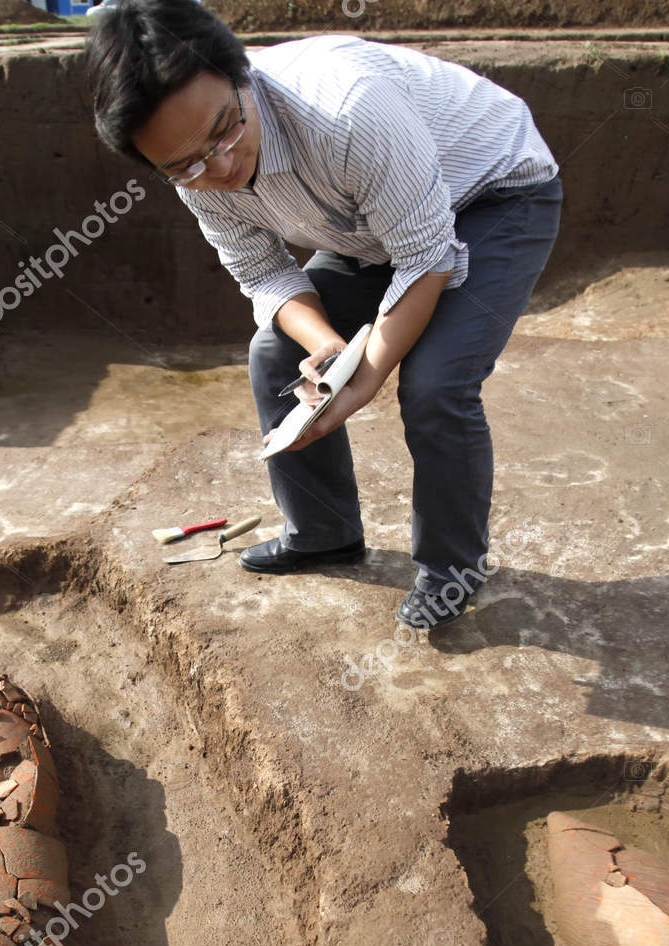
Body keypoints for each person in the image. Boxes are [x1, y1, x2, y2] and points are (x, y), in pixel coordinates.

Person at [85, 1, 560, 629]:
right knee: (275, 353)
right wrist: (330, 346)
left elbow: (425, 256)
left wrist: (364, 380)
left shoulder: (346, 108)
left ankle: (451, 571)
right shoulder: (196, 171)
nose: (220, 166)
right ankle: (323, 531)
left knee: (437, 383)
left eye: (225, 130)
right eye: (185, 165)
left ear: (241, 75)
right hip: (369, 223)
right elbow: (263, 272)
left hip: (494, 194)